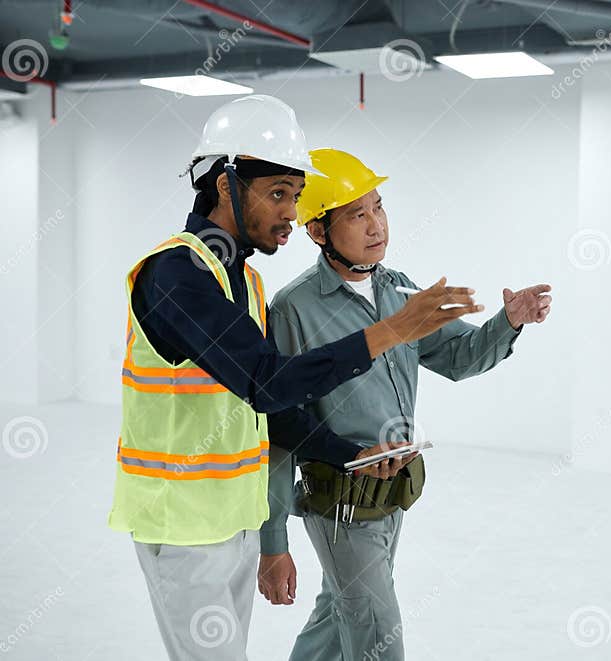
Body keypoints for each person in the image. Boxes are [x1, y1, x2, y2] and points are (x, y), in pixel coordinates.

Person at [108, 96, 483, 661]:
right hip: (181, 522)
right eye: (278, 193)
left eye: (295, 196)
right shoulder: (175, 277)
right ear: (224, 184)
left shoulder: (244, 281)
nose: (290, 212)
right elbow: (266, 380)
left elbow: (271, 410)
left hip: (232, 514)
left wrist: (347, 453)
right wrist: (392, 331)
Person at [257, 148, 552, 660]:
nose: (376, 225)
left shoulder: (398, 293)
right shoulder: (292, 308)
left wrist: (508, 321)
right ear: (318, 231)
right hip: (340, 503)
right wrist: (273, 538)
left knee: (338, 614)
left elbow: (458, 357)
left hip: (392, 495)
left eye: (378, 207)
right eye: (357, 214)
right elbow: (279, 424)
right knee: (376, 632)